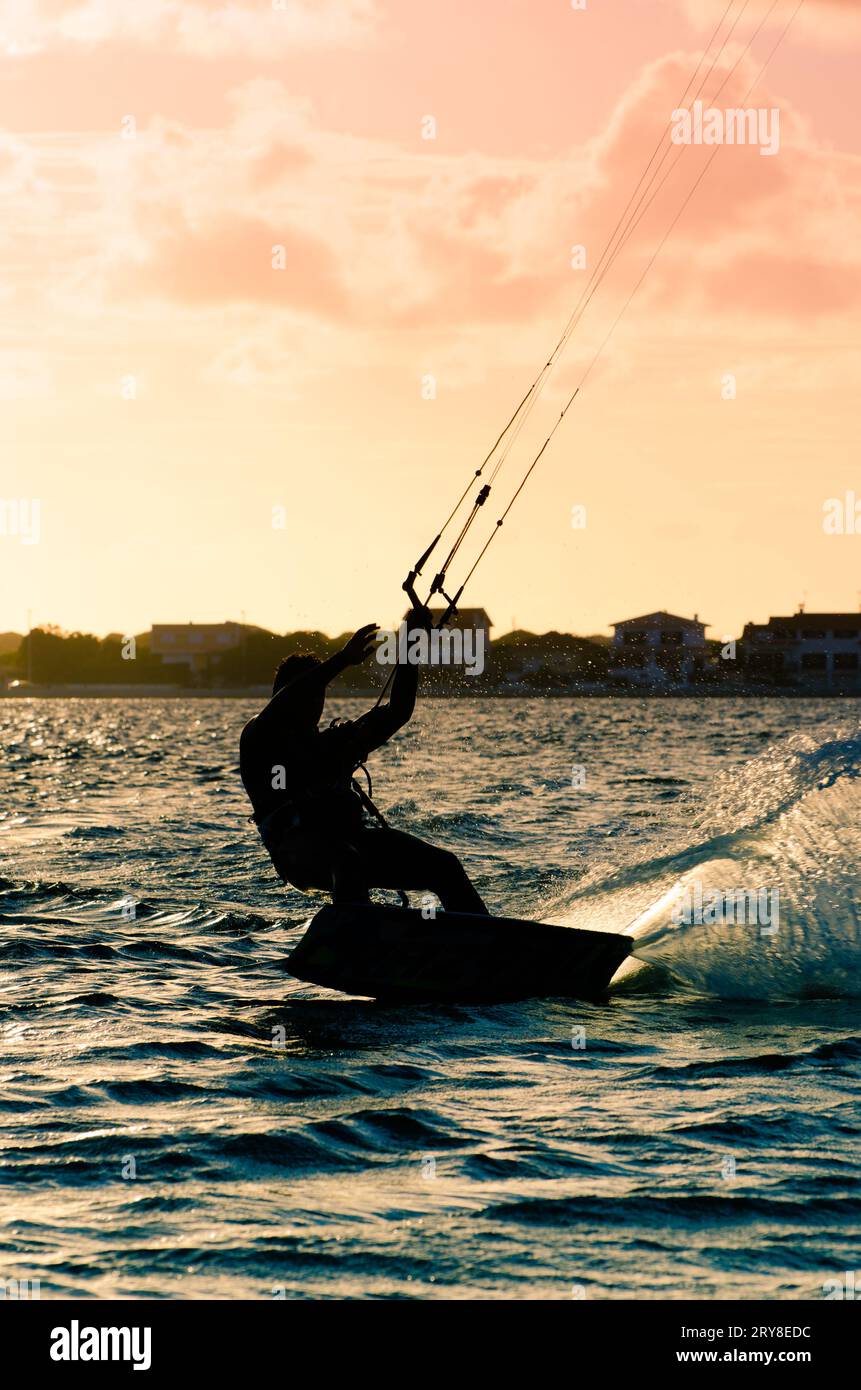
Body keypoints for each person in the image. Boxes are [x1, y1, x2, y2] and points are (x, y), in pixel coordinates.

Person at [239, 610, 488, 913]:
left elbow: (398, 711)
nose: (313, 702)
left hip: (352, 842)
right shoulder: (259, 736)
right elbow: (291, 698)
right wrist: (343, 659)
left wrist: (411, 643)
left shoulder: (334, 743)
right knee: (346, 860)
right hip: (297, 852)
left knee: (443, 865)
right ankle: (354, 942)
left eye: (318, 695)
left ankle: (484, 939)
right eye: (306, 694)